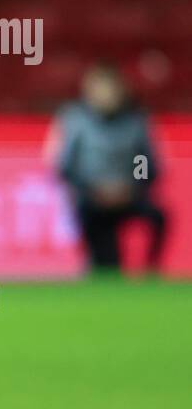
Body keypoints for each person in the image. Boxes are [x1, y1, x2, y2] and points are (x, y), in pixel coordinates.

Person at [53, 63, 167, 273]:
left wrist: (131, 187)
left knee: (158, 217)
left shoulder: (135, 121)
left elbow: (144, 163)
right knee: (107, 263)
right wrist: (93, 189)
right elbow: (65, 166)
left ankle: (150, 270)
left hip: (128, 197)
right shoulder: (76, 121)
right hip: (92, 200)